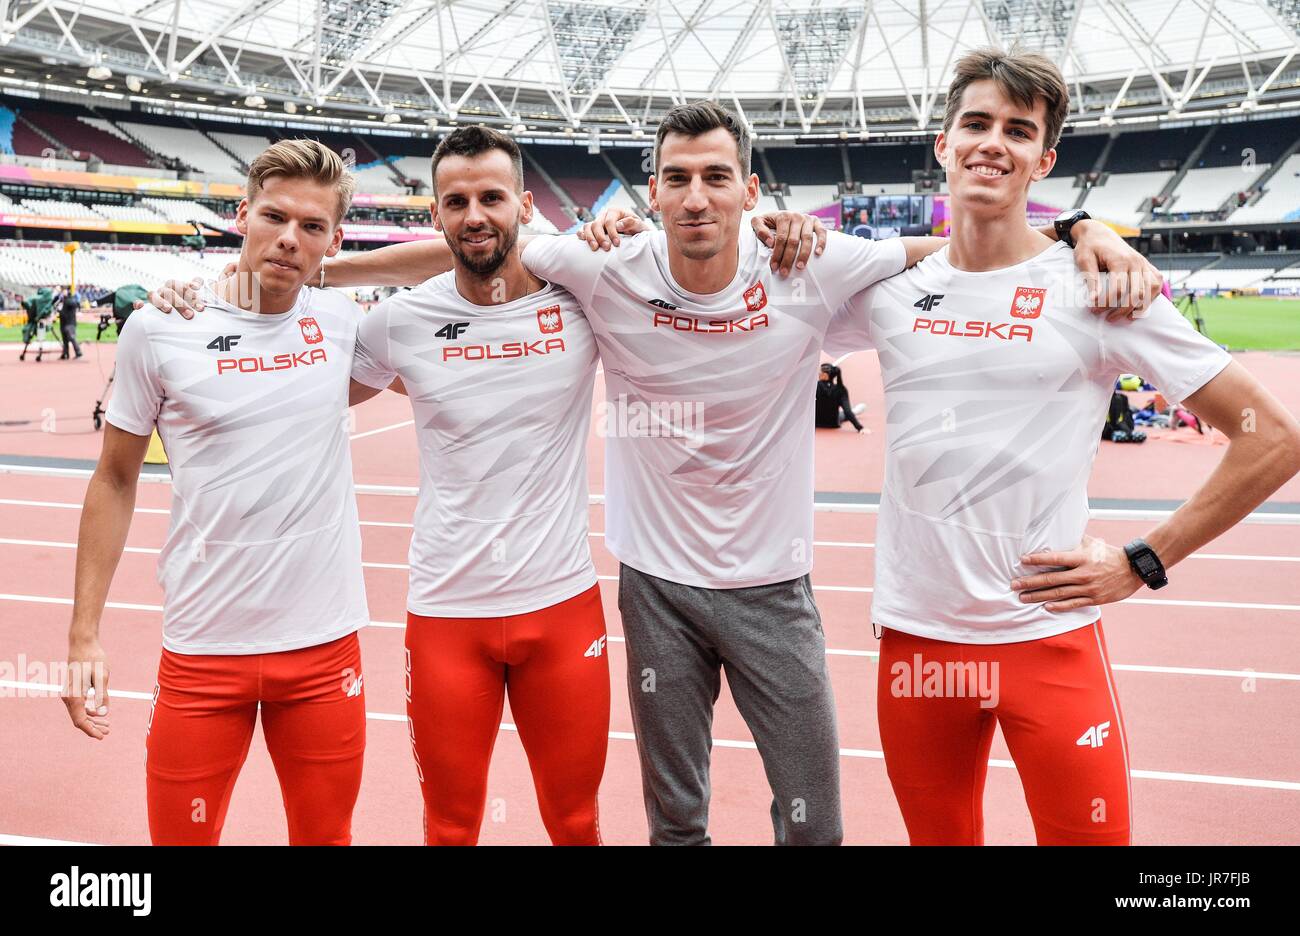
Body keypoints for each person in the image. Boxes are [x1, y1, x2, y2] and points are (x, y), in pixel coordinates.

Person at [151, 104, 1160, 846]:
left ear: (749, 192)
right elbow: (440, 262)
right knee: (650, 823)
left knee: (809, 825)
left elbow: (962, 248)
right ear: (650, 193)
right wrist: (277, 271)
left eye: (715, 177)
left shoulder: (790, 270)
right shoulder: (590, 273)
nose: (695, 194)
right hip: (638, 592)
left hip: (766, 589)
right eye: (674, 177)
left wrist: (1081, 229)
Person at [824, 47, 1300, 845]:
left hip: (1045, 641)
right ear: (942, 143)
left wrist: (1143, 560)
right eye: (974, 123)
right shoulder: (885, 293)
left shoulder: (1101, 291)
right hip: (917, 641)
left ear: (1043, 159)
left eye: (1017, 131)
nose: (991, 143)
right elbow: (739, 294)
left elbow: (1274, 438)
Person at [63, 140, 372, 845]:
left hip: (322, 652)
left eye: (313, 228)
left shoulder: (345, 326)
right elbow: (115, 478)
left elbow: (465, 261)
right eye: (274, 217)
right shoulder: (161, 327)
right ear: (242, 214)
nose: (289, 238)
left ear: (336, 239)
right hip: (203, 651)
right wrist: (83, 636)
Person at [347, 127, 612, 845]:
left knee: (577, 821)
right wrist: (234, 294)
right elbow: (300, 385)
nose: (474, 215)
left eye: (492, 198)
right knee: (451, 826)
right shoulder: (400, 323)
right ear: (435, 214)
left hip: (562, 608)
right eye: (455, 201)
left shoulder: (582, 301)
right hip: (445, 614)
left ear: (525, 204)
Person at [815, 363, 864, 432]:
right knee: (844, 414)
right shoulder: (841, 389)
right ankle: (855, 411)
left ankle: (855, 411)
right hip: (833, 424)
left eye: (820, 372)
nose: (818, 374)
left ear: (825, 375)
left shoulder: (814, 387)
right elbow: (847, 412)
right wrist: (860, 428)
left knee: (842, 414)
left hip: (816, 422)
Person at [59, 288, 82, 359]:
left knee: (72, 338)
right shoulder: (63, 300)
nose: (63, 293)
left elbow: (73, 304)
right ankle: (65, 354)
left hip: (70, 323)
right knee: (65, 340)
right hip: (64, 322)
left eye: (64, 291)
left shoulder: (70, 300)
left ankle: (78, 352)